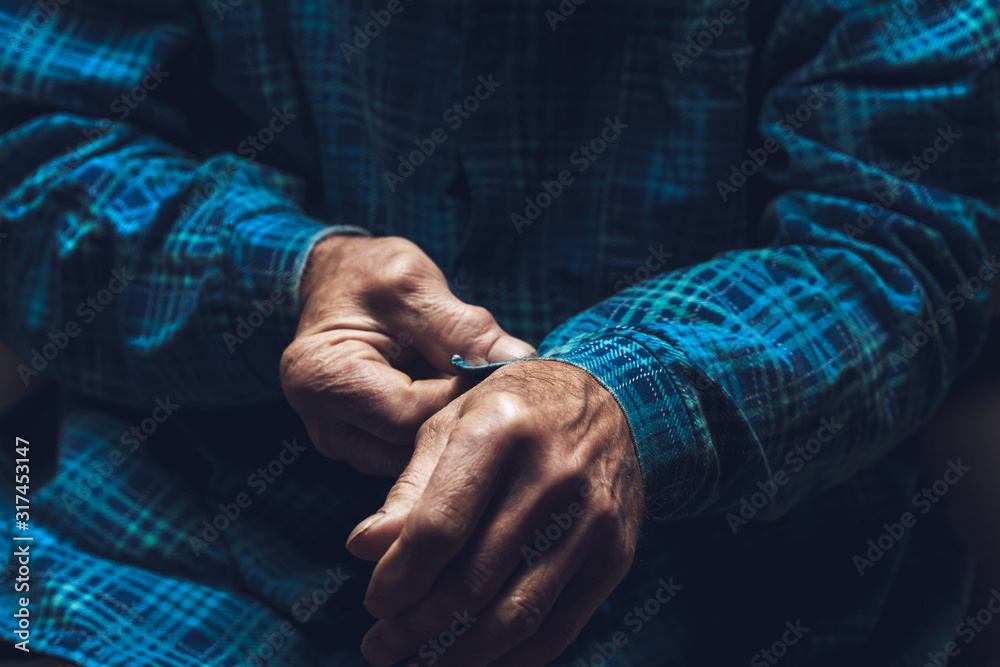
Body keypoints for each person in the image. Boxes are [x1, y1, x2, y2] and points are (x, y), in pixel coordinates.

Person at [0, 0, 997, 665]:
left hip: (731, 604)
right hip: (155, 560)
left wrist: (635, 399)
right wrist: (289, 274)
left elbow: (904, 243)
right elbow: (35, 145)